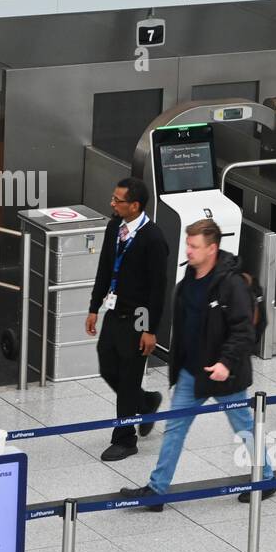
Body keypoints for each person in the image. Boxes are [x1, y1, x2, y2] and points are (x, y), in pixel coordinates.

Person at [119, 219, 275, 510]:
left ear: (212, 248)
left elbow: (244, 331)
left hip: (223, 374)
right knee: (175, 429)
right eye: (188, 244)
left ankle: (265, 477)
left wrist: (226, 364)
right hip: (192, 372)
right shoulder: (189, 277)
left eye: (194, 246)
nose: (188, 251)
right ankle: (157, 491)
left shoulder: (231, 285)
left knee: (242, 426)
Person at [85, 177, 169, 462]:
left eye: (117, 200)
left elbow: (157, 291)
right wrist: (94, 307)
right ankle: (146, 402)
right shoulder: (114, 228)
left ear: (134, 205)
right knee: (108, 365)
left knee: (129, 377)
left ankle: (125, 438)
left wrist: (149, 330)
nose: (112, 203)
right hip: (114, 311)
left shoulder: (153, 239)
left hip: (137, 318)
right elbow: (105, 269)